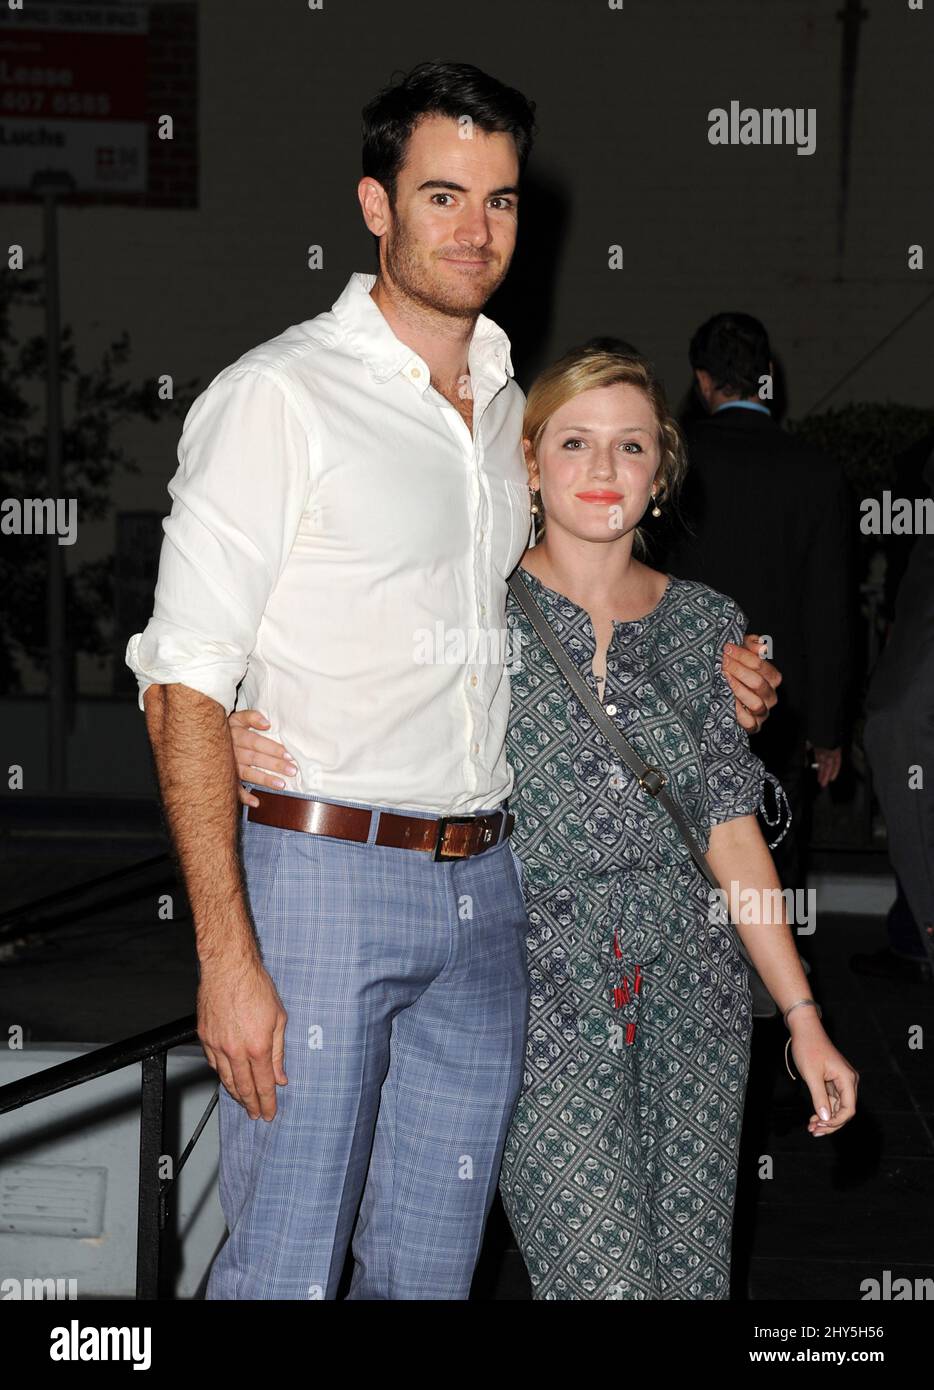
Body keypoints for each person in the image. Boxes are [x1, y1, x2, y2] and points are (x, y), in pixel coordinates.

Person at [126, 61, 782, 1300]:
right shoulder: (278, 396)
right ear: (375, 207)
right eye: (442, 196)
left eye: (501, 200)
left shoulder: (502, 406)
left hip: (491, 895)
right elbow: (182, 670)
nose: (477, 230)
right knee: (284, 1271)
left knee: (429, 1275)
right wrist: (226, 951)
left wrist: (720, 664)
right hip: (321, 878)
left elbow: (573, 582)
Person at [226, 344, 859, 1300]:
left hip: (696, 996)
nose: (603, 471)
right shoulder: (472, 607)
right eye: (574, 443)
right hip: (537, 990)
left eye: (631, 447)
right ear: (529, 464)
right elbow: (344, 681)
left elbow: (732, 835)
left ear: (662, 472)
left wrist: (804, 1021)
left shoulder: (706, 626)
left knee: (691, 1282)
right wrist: (238, 720)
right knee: (605, 1284)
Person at [656, 312, 856, 892]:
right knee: (775, 866)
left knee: (687, 871)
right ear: (767, 375)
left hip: (679, 702)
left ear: (701, 380)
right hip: (779, 712)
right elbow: (830, 612)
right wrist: (827, 729)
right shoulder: (817, 472)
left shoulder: (671, 462)